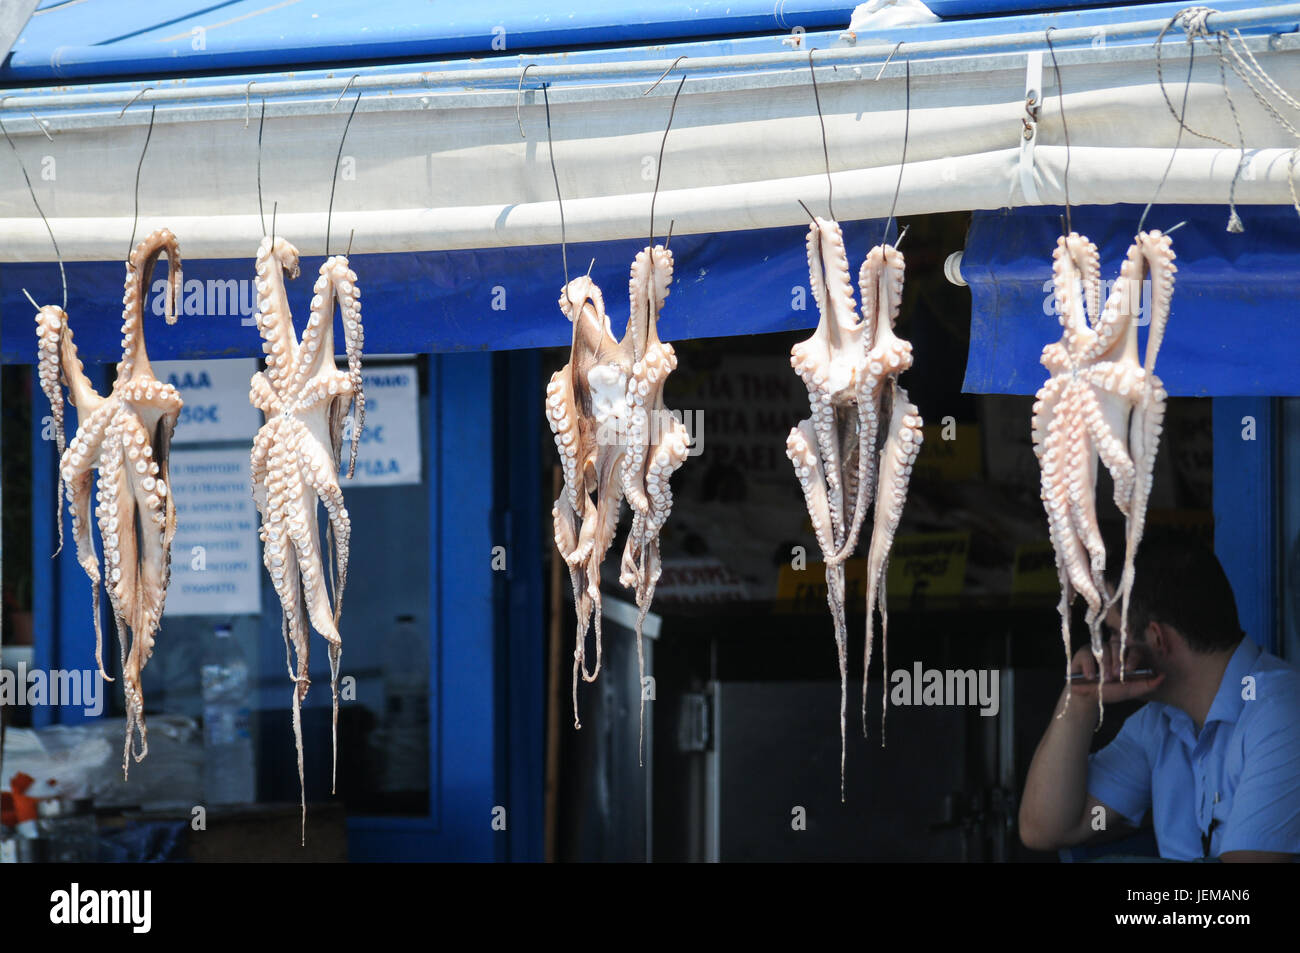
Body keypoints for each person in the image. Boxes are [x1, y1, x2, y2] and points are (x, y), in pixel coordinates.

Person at [1019, 530, 1300, 861]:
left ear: (1156, 639)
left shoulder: (1280, 713)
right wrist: (1078, 700)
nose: (1103, 650)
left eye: (1110, 634)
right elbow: (1046, 829)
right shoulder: (1159, 724)